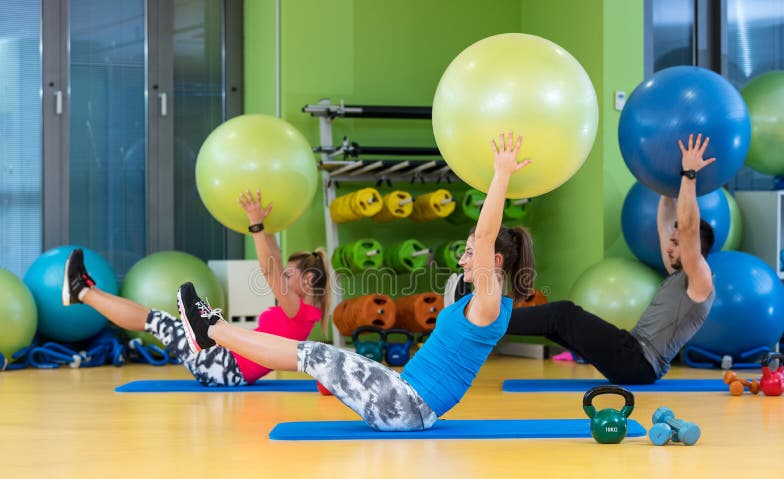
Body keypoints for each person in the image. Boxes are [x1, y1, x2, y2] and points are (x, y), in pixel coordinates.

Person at [176, 132, 535, 431]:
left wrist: (501, 174)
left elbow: (487, 235)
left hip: (406, 407)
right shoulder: (480, 303)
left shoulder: (490, 303)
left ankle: (212, 330)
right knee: (327, 355)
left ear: (495, 262)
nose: (462, 258)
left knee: (314, 353)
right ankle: (211, 330)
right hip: (404, 397)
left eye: (470, 253)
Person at [448, 133, 716, 384]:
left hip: (638, 361)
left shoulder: (699, 278)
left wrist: (689, 174)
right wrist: (662, 181)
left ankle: (479, 316)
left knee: (563, 314)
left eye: (676, 243)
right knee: (556, 326)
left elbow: (689, 229)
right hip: (633, 355)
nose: (669, 247)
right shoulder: (679, 271)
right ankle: (480, 319)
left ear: (695, 250)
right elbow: (666, 222)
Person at [61, 190, 330, 387]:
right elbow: (275, 260)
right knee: (157, 319)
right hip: (225, 362)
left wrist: (256, 226)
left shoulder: (299, 311)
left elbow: (269, 269)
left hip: (223, 368)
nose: (283, 275)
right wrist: (270, 229)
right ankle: (83, 289)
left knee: (157, 320)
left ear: (307, 281)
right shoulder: (301, 312)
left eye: (289, 274)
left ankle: (82, 291)